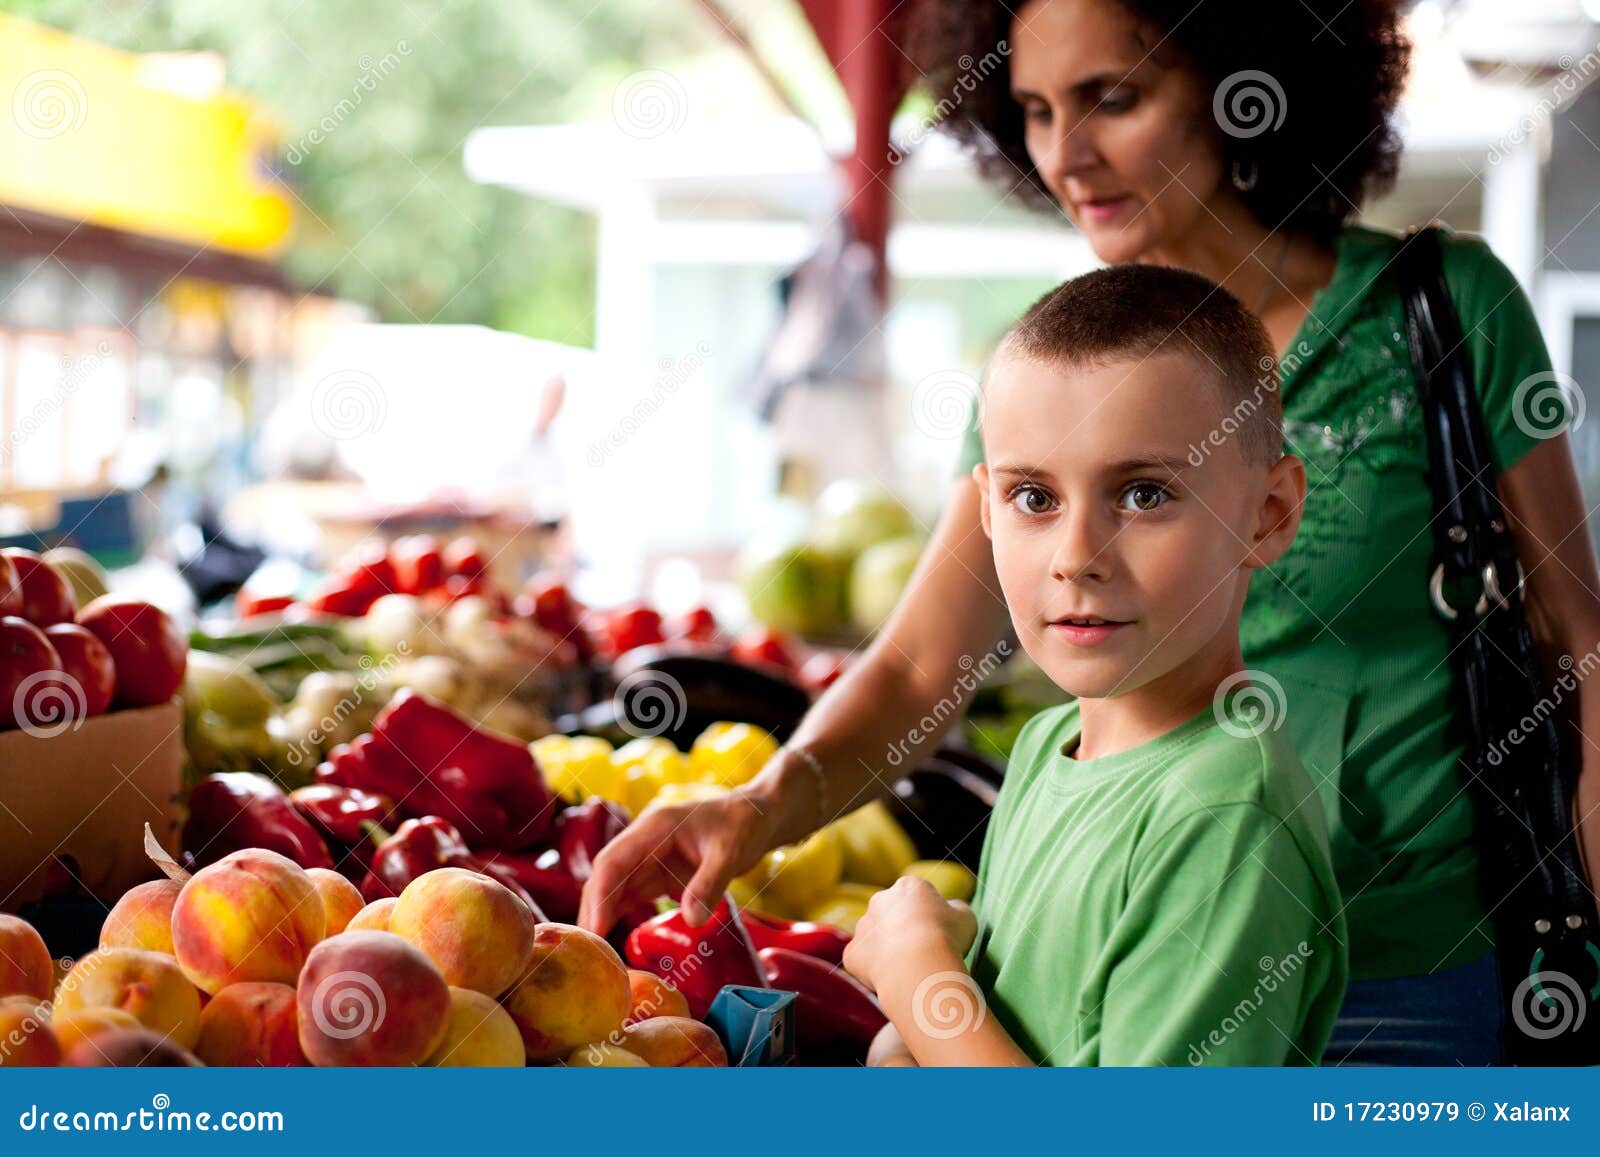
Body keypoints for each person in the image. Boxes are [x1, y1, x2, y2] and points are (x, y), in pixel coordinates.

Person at [580, 0, 1600, 1065]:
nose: (1067, 155)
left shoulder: (1439, 306)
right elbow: (928, 659)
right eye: (1031, 110)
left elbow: (1580, 639)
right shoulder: (1058, 369)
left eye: (1113, 97)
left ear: (1239, 80)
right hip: (1128, 948)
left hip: (1414, 977)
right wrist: (755, 805)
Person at [841, 264, 1347, 1065]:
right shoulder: (1046, 748)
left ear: (1268, 514)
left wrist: (920, 980)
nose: (1077, 557)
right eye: (1034, 498)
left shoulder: (1224, 819)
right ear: (986, 509)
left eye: (1144, 494)